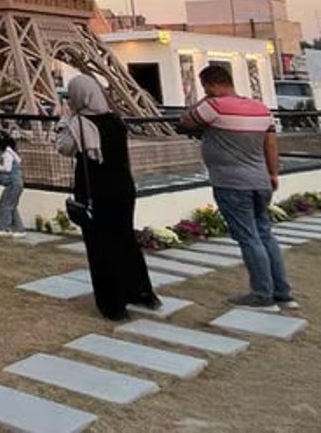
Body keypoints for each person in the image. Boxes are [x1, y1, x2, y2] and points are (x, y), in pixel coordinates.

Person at [178, 63, 297, 311]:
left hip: (231, 182)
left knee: (248, 237)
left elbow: (187, 121)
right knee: (264, 234)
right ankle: (283, 292)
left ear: (210, 85)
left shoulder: (214, 106)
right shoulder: (260, 108)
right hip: (260, 180)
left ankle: (262, 293)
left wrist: (204, 100)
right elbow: (271, 145)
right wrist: (273, 173)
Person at [55, 74, 159, 320]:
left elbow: (63, 148)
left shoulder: (79, 124)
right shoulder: (116, 121)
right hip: (122, 188)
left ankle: (113, 306)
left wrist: (65, 119)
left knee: (100, 248)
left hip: (95, 192)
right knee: (125, 241)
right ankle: (142, 292)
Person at [0, 129, 24, 234]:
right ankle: (18, 229)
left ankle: (5, 228)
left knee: (6, 205)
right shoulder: (9, 152)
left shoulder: (7, 153)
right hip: (13, 184)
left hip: (14, 184)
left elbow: (7, 168)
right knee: (9, 205)